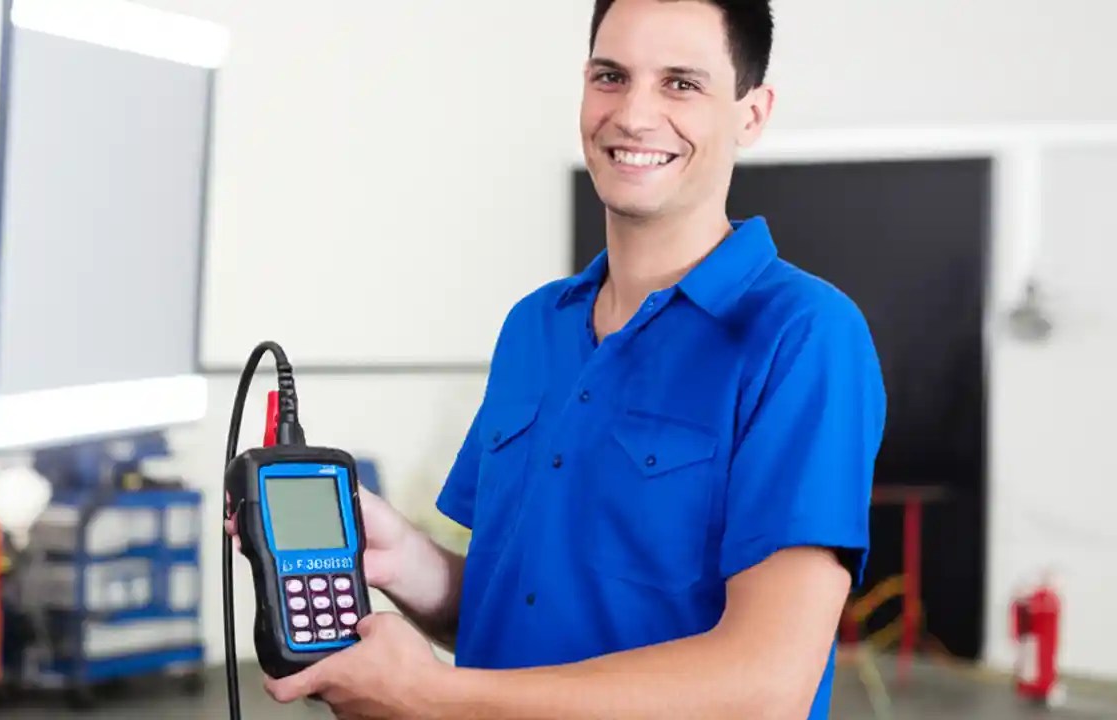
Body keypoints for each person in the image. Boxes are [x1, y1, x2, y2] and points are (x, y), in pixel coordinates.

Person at [229, 0, 886, 717]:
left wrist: (432, 696)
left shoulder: (804, 335)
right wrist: (400, 560)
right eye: (611, 76)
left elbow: (768, 685)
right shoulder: (535, 327)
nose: (634, 114)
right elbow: (508, 611)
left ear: (751, 113)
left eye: (680, 84)